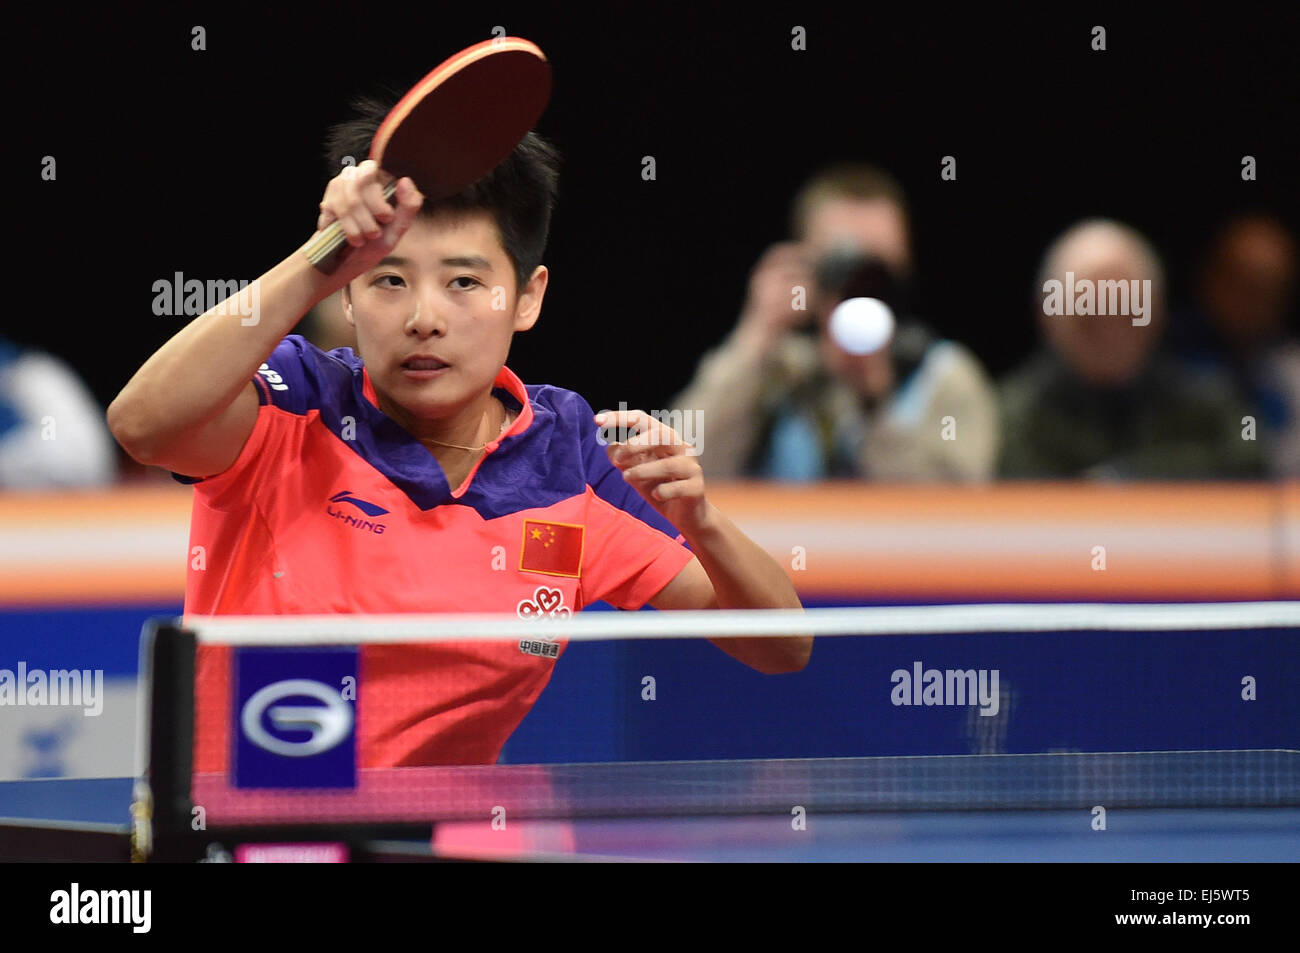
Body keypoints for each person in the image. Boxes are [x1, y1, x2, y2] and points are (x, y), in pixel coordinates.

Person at [107, 97, 808, 768]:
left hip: (439, 837)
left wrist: (702, 520)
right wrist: (317, 258)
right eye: (388, 280)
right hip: (249, 827)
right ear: (346, 295)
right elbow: (142, 425)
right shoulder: (295, 403)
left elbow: (783, 648)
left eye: (464, 283)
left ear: (527, 297)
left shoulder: (571, 460)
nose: (424, 317)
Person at [671, 164, 998, 481]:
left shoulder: (943, 377)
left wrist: (874, 404)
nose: (860, 286)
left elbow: (955, 516)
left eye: (878, 269)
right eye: (844, 264)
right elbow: (679, 468)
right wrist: (754, 337)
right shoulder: (774, 369)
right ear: (806, 265)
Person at [998, 219, 1264, 479]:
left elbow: (1252, 471)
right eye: (1089, 318)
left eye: (1127, 313)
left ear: (1158, 314)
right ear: (1047, 317)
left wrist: (1117, 477)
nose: (1111, 333)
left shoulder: (1211, 407)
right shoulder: (1009, 417)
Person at [1172, 214, 1300, 475]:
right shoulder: (1169, 364)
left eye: (1272, 292)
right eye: (1246, 286)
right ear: (1211, 279)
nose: (1257, 306)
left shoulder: (1291, 368)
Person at [0, 337, 117, 488]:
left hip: (72, 465)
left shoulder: (30, 375)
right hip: (92, 472)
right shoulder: (37, 371)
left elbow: (53, 446)